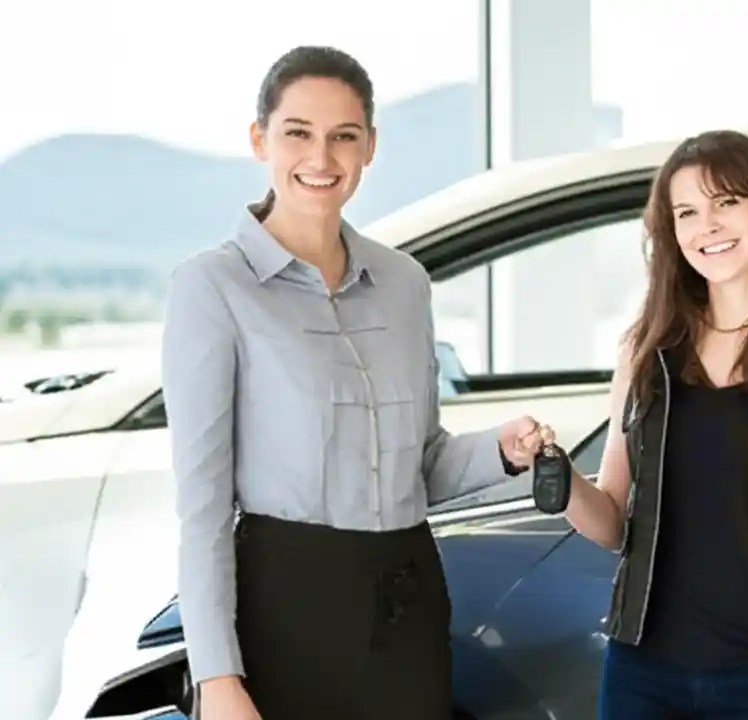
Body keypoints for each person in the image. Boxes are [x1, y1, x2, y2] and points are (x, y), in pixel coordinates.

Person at [161, 46, 549, 720]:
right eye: (298, 133)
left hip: (407, 604)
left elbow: (420, 467)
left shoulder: (404, 284)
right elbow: (202, 510)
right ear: (260, 140)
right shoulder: (211, 288)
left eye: (344, 136)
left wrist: (502, 450)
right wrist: (217, 677)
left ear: (370, 146)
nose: (322, 158)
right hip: (283, 611)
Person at [538, 129, 748, 719]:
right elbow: (612, 522)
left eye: (726, 202)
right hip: (643, 673)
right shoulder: (647, 350)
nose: (707, 225)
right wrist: (556, 476)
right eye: (687, 212)